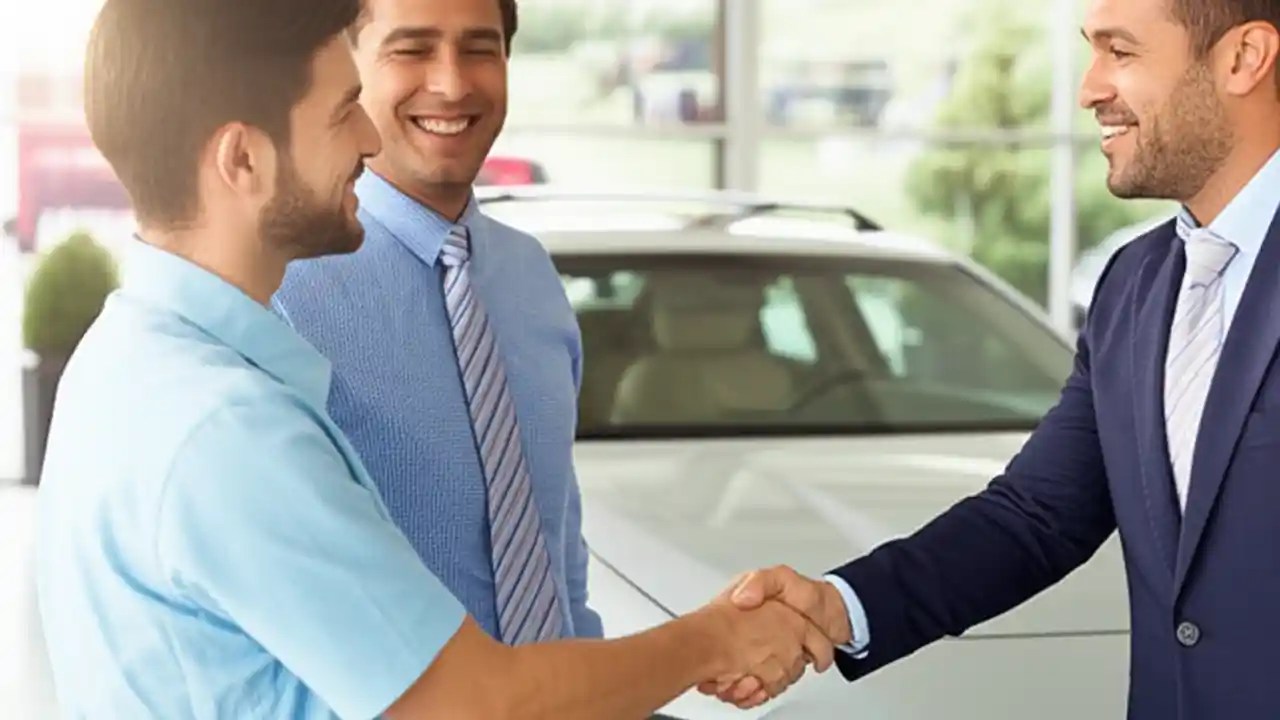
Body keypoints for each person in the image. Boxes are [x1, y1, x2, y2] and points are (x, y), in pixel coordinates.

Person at [34, 0, 835, 716]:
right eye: (346, 106)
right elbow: (467, 704)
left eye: (479, 47)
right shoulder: (222, 423)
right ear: (243, 160)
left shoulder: (134, 359)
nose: (368, 135)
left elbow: (553, 560)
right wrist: (712, 641)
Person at [715, 0, 1280, 717]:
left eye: (1121, 52)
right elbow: (1036, 515)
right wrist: (837, 608)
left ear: (1243, 58)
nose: (1089, 89)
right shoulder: (1134, 285)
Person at [271, 0, 600, 645]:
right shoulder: (282, 293)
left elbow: (559, 546)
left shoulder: (531, 276)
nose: (452, 84)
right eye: (412, 49)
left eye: (480, 49)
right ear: (346, 66)